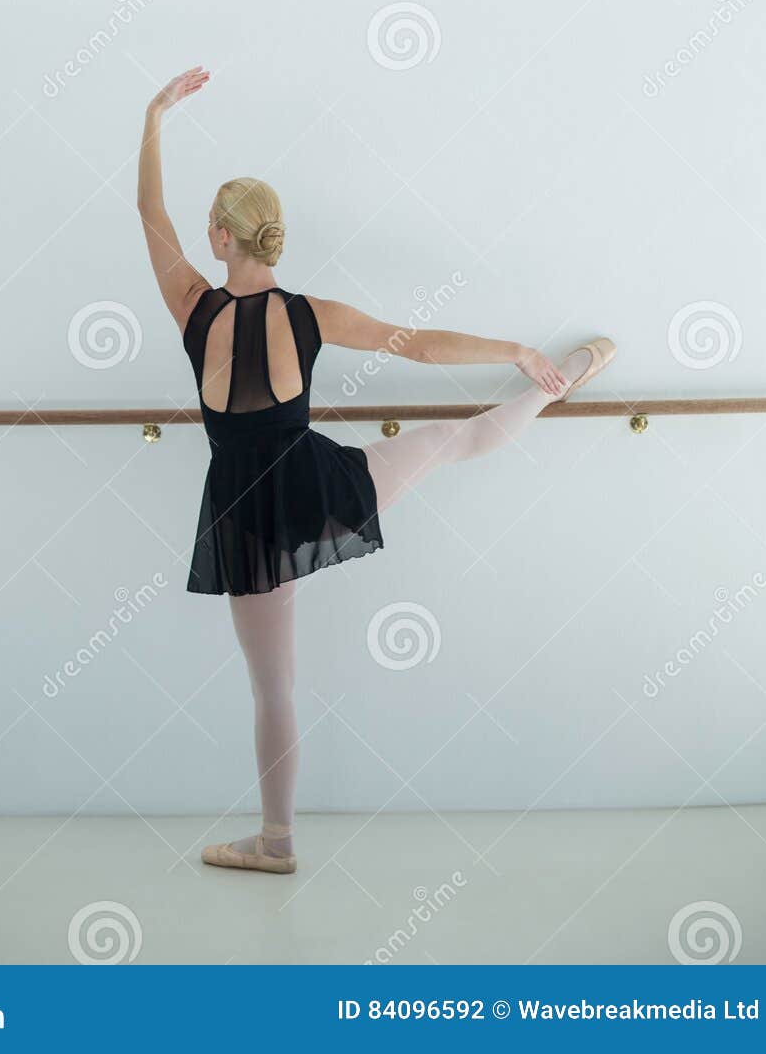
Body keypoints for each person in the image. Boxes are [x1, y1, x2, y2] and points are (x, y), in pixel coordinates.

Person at [137, 67, 615, 875]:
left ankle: (275, 843)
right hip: (319, 484)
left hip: (244, 517)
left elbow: (147, 214)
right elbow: (420, 343)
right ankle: (554, 381)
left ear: (221, 235)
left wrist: (154, 117)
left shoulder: (191, 304)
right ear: (269, 234)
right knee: (448, 441)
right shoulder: (310, 313)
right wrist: (517, 352)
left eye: (207, 227)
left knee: (272, 690)